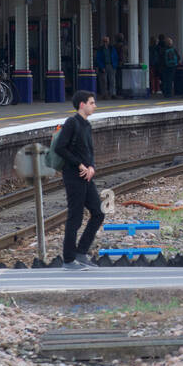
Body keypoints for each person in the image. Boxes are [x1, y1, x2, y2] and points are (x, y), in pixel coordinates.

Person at [52, 90, 104, 269]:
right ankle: (68, 259)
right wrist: (79, 165)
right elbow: (60, 148)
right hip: (73, 176)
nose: (94, 106)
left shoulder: (87, 125)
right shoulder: (71, 123)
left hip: (86, 176)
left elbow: (90, 151)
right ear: (82, 104)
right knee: (75, 216)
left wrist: (91, 167)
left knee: (98, 212)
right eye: (91, 102)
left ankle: (81, 252)